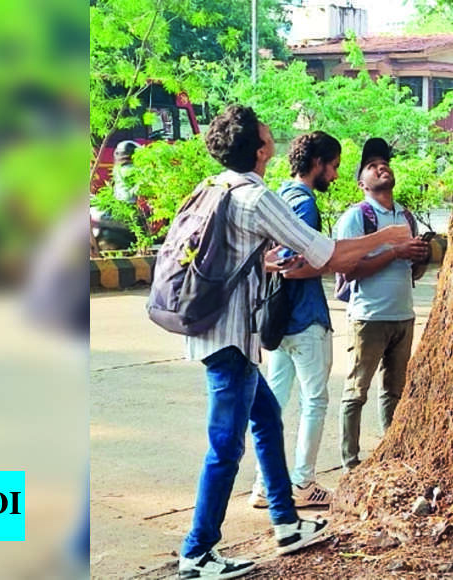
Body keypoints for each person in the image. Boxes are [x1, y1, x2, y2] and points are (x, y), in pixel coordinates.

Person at [177, 107, 413, 580]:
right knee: (225, 448)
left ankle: (286, 524)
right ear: (259, 149)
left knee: (267, 419)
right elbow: (326, 255)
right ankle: (197, 552)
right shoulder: (256, 197)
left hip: (218, 332)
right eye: (268, 135)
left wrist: (261, 264)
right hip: (230, 340)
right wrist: (387, 237)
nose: (274, 141)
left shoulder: (213, 186)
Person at [248, 131, 341, 510]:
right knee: (314, 401)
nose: (334, 175)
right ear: (317, 163)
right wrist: (329, 261)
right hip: (304, 318)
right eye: (333, 166)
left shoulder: (279, 196)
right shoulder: (304, 204)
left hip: (277, 321)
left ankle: (264, 484)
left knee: (275, 403)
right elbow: (294, 261)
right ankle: (303, 482)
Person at [336, 137, 430, 473]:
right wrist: (394, 252)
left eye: (385, 163)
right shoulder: (356, 217)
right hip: (369, 317)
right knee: (356, 391)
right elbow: (348, 269)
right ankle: (350, 463)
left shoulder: (406, 216)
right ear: (362, 183)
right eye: (372, 166)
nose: (381, 168)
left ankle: (390, 457)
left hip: (403, 315)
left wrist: (420, 256)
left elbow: (413, 271)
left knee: (394, 391)